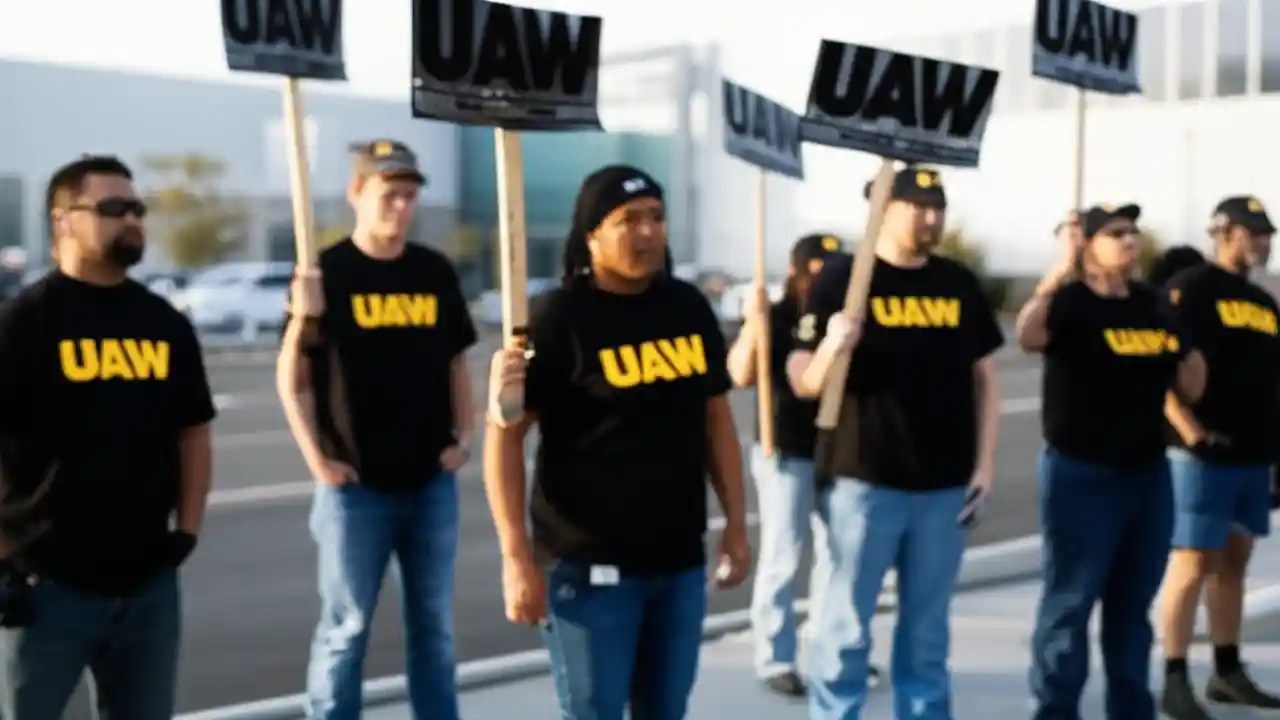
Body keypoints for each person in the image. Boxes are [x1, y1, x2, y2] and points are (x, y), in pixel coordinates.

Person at [483, 165, 751, 720]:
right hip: (588, 568)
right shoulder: (560, 317)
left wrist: (737, 526)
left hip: (677, 564)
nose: (648, 231)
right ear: (591, 236)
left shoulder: (687, 307)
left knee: (666, 710)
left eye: (656, 217)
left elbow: (716, 421)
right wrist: (515, 556)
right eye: (628, 220)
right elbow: (504, 438)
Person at [0, 155, 215, 719]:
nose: (132, 220)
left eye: (137, 208)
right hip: (47, 585)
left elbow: (193, 432)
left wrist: (186, 532)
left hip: (146, 585)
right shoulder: (23, 324)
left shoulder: (164, 324)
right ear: (62, 221)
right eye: (113, 208)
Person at [787, 165, 1004, 720]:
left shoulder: (957, 283)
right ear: (883, 208)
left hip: (944, 485)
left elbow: (986, 377)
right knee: (845, 627)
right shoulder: (843, 280)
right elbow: (803, 380)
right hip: (863, 481)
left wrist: (984, 464)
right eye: (917, 206)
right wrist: (836, 344)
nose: (930, 218)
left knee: (927, 632)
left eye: (938, 207)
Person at [277, 140, 476, 720]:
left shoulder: (432, 271)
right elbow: (295, 380)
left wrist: (464, 439)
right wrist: (317, 460)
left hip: (429, 482)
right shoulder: (327, 273)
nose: (402, 207)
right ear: (356, 194)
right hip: (355, 486)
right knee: (346, 628)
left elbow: (455, 362)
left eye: (411, 195)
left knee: (434, 627)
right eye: (390, 194)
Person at [1016, 204, 1206, 719]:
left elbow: (1190, 387)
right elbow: (1028, 335)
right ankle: (1056, 710)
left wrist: (1186, 344)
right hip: (1081, 475)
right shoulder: (1070, 301)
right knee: (1070, 605)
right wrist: (1058, 271)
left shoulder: (1152, 304)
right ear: (1090, 244)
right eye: (1116, 232)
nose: (1129, 240)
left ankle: (1130, 711)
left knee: (1131, 610)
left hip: (1145, 476)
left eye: (1133, 232)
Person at [728, 233, 882, 696]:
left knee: (840, 558)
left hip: (840, 450)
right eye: (816, 271)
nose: (824, 280)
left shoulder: (850, 316)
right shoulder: (775, 317)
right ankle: (774, 656)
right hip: (787, 451)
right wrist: (752, 327)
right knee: (784, 552)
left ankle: (832, 648)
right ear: (797, 272)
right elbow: (739, 374)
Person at [1158, 196, 1280, 720]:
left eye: (1268, 234)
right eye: (1255, 232)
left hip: (1253, 456)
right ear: (1223, 231)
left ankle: (1226, 672)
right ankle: (1174, 675)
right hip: (1203, 455)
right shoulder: (1192, 287)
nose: (1265, 242)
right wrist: (1191, 432)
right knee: (1190, 564)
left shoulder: (1264, 304)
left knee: (1234, 562)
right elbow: (1160, 360)